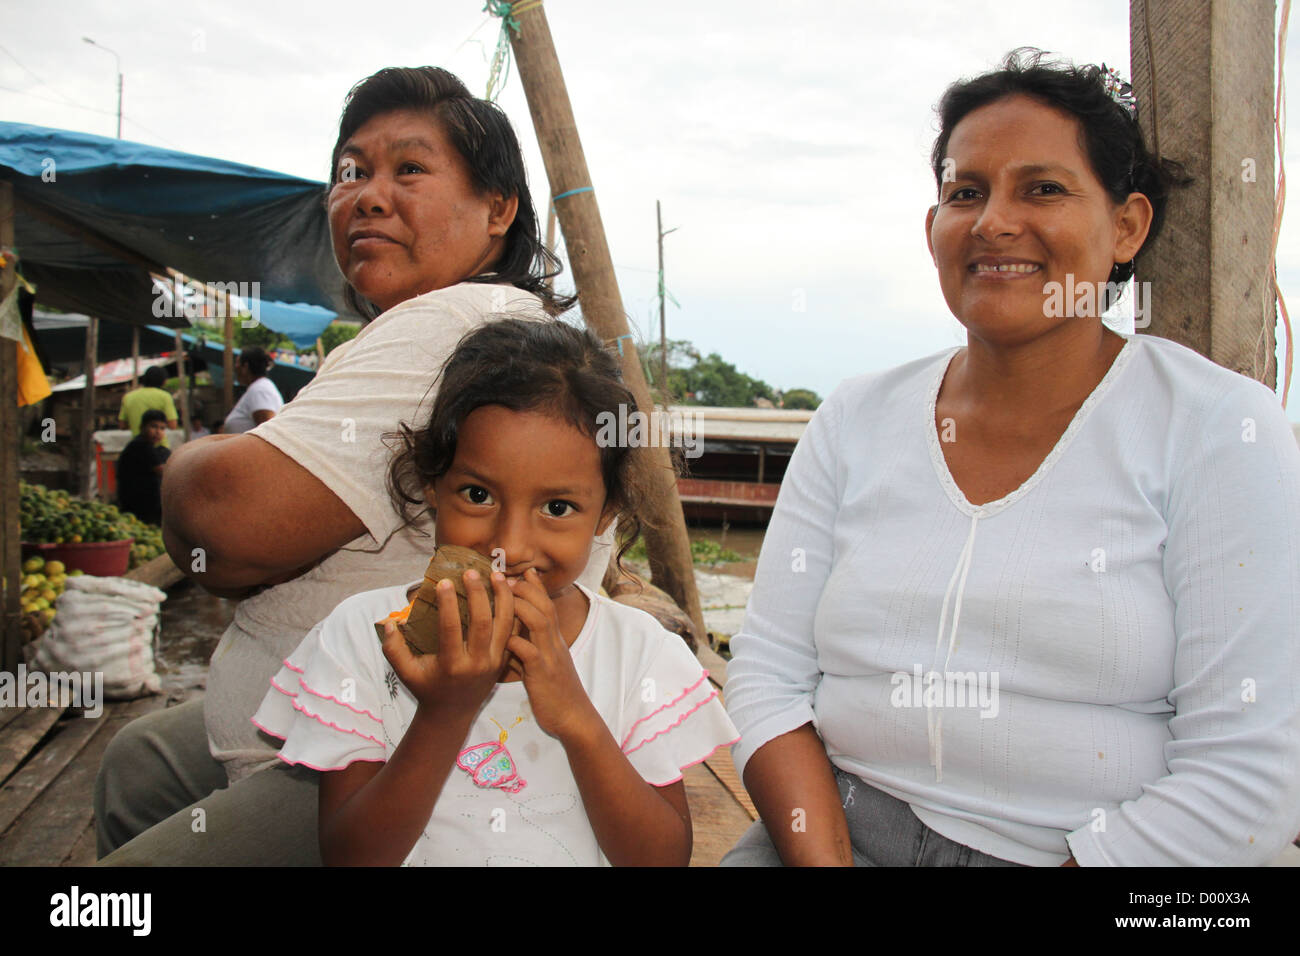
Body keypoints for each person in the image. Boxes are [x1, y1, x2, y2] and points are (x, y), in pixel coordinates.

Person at [722, 49, 1300, 867]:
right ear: (933, 231)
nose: (994, 222)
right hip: (834, 835)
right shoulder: (855, 417)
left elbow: (1250, 775)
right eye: (965, 193)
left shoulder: (1216, 429)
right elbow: (769, 675)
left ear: (1127, 226)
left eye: (1044, 189)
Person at [94, 65, 596, 865]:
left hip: (395, 735)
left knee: (110, 898)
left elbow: (222, 529)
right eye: (350, 171)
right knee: (139, 763)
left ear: (498, 209)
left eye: (409, 168)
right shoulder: (492, 322)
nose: (366, 194)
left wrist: (196, 455)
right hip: (322, 702)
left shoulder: (456, 319)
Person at [254, 320, 736, 865]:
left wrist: (577, 716)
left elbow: (661, 859)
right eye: (478, 494)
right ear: (433, 485)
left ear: (606, 515)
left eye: (557, 508)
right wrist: (444, 713)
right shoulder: (367, 636)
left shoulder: (637, 654)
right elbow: (352, 857)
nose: (508, 545)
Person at [115, 409, 170, 526]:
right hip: (139, 504)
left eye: (162, 428)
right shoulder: (140, 446)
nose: (158, 432)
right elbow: (163, 471)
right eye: (153, 426)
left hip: (145, 502)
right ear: (142, 427)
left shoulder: (151, 447)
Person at [221, 347, 284, 434]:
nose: (235, 367)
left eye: (237, 363)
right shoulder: (258, 387)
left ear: (245, 367)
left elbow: (268, 433)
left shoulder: (260, 390)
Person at [118, 365, 178, 448]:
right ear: (163, 381)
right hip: (159, 447)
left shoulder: (128, 397)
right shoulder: (165, 396)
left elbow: (122, 425)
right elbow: (173, 425)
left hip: (136, 447)